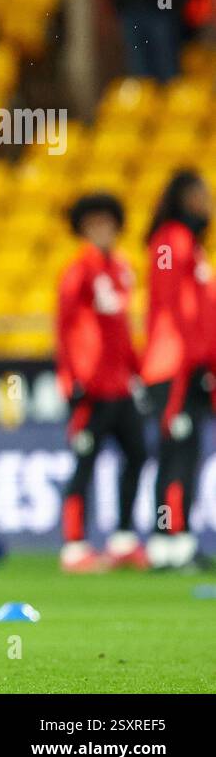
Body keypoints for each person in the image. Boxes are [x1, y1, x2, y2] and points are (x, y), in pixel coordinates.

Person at [54, 193, 150, 574]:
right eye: (94, 223)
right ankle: (75, 546)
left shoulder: (122, 269)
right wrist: (70, 379)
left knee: (138, 455)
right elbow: (63, 330)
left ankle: (124, 539)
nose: (102, 230)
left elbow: (123, 331)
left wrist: (137, 371)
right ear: (82, 228)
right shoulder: (76, 272)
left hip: (121, 387)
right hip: (90, 388)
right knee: (84, 463)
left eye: (107, 222)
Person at [140, 169, 214, 570]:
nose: (208, 203)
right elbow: (173, 310)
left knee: (185, 453)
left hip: (190, 365)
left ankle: (176, 537)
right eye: (201, 196)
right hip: (174, 367)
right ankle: (168, 537)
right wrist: (192, 360)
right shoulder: (171, 241)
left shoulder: (193, 247)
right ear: (184, 198)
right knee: (177, 454)